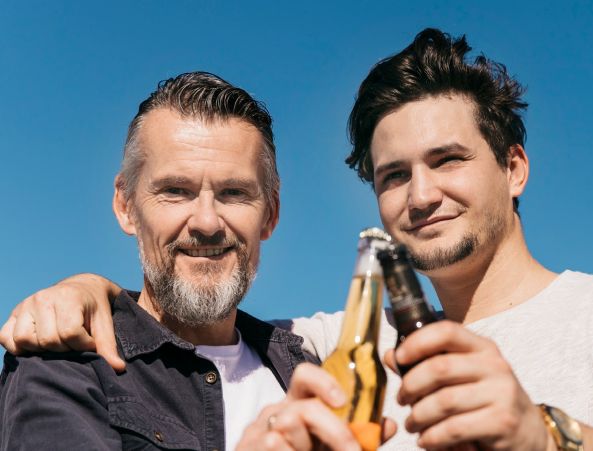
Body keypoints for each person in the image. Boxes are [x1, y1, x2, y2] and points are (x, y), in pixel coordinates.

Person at [3, 29, 593, 450]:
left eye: (448, 159)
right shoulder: (326, 346)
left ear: (513, 166)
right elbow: (185, 316)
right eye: (393, 175)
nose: (421, 195)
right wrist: (89, 289)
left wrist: (544, 434)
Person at [0, 72, 372, 451]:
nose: (207, 222)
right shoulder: (61, 367)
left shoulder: (315, 366)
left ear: (271, 215)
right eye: (176, 191)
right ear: (126, 206)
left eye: (234, 193)